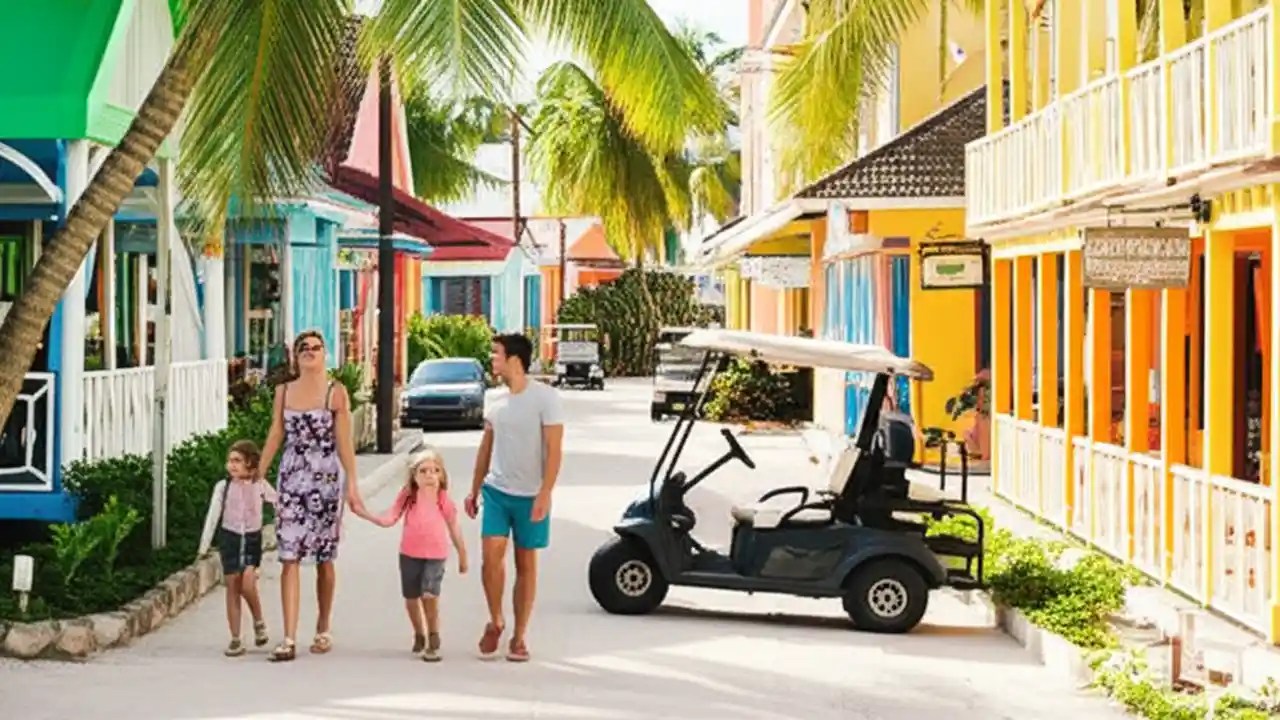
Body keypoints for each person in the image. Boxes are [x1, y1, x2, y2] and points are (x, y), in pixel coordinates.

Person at [258, 330, 368, 662]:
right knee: (288, 555)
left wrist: (352, 483)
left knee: (324, 557)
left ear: (325, 353)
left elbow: (344, 441)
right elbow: (276, 432)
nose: (309, 352)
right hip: (292, 477)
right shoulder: (283, 392)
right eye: (303, 348)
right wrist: (258, 474)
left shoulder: (336, 392)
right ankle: (289, 637)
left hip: (325, 479)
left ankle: (322, 626)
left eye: (316, 348)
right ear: (295, 355)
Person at [465, 333, 564, 662]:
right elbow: (486, 447)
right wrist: (474, 488)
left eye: (496, 354)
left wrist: (546, 493)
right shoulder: (494, 399)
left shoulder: (546, 398)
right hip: (496, 491)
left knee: (525, 563)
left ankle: (520, 636)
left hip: (531, 494)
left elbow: (554, 449)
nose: (491, 359)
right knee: (490, 556)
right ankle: (495, 620)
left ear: (514, 360)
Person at [359, 448, 468, 662]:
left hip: (436, 555)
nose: (430, 475)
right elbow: (389, 519)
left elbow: (454, 526)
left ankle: (433, 636)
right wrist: (366, 514)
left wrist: (462, 554)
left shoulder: (442, 499)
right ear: (414, 477)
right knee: (411, 598)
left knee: (430, 594)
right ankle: (419, 632)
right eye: (424, 471)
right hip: (410, 553)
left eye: (435, 470)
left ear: (442, 476)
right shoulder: (408, 497)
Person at [197, 439, 277, 657]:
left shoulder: (260, 485)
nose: (231, 465)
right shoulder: (223, 487)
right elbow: (213, 516)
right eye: (230, 461)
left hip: (251, 538)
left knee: (248, 584)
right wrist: (203, 547)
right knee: (233, 586)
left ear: (250, 463)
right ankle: (235, 637)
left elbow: (278, 502)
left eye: (237, 461)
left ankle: (258, 621)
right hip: (230, 538)